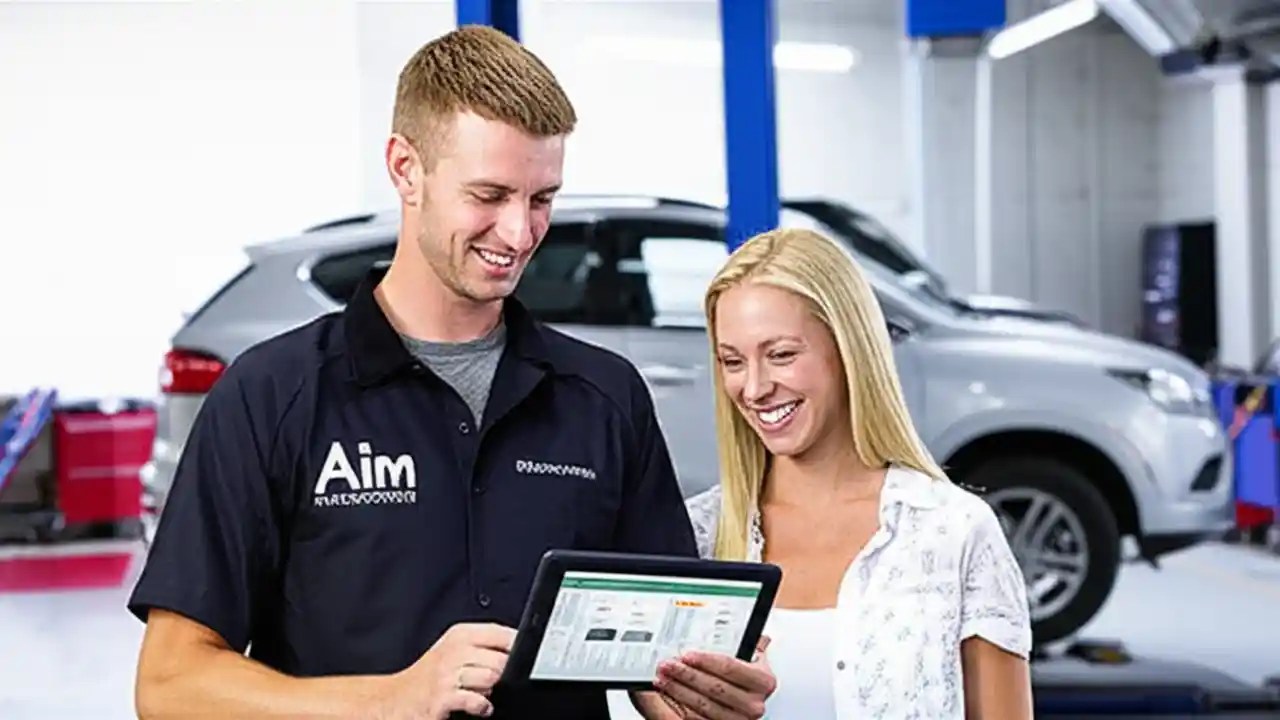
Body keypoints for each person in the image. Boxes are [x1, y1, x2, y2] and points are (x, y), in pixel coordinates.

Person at [128, 26, 774, 720]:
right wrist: (391, 699)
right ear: (406, 168)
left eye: (542, 198)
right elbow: (170, 686)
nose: (521, 234)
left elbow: (656, 668)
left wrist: (700, 693)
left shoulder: (604, 398)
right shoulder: (271, 396)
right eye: (489, 194)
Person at [685, 227, 1035, 719]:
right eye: (732, 361)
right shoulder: (698, 537)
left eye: (782, 354)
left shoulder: (952, 532)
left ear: (849, 348)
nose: (755, 388)